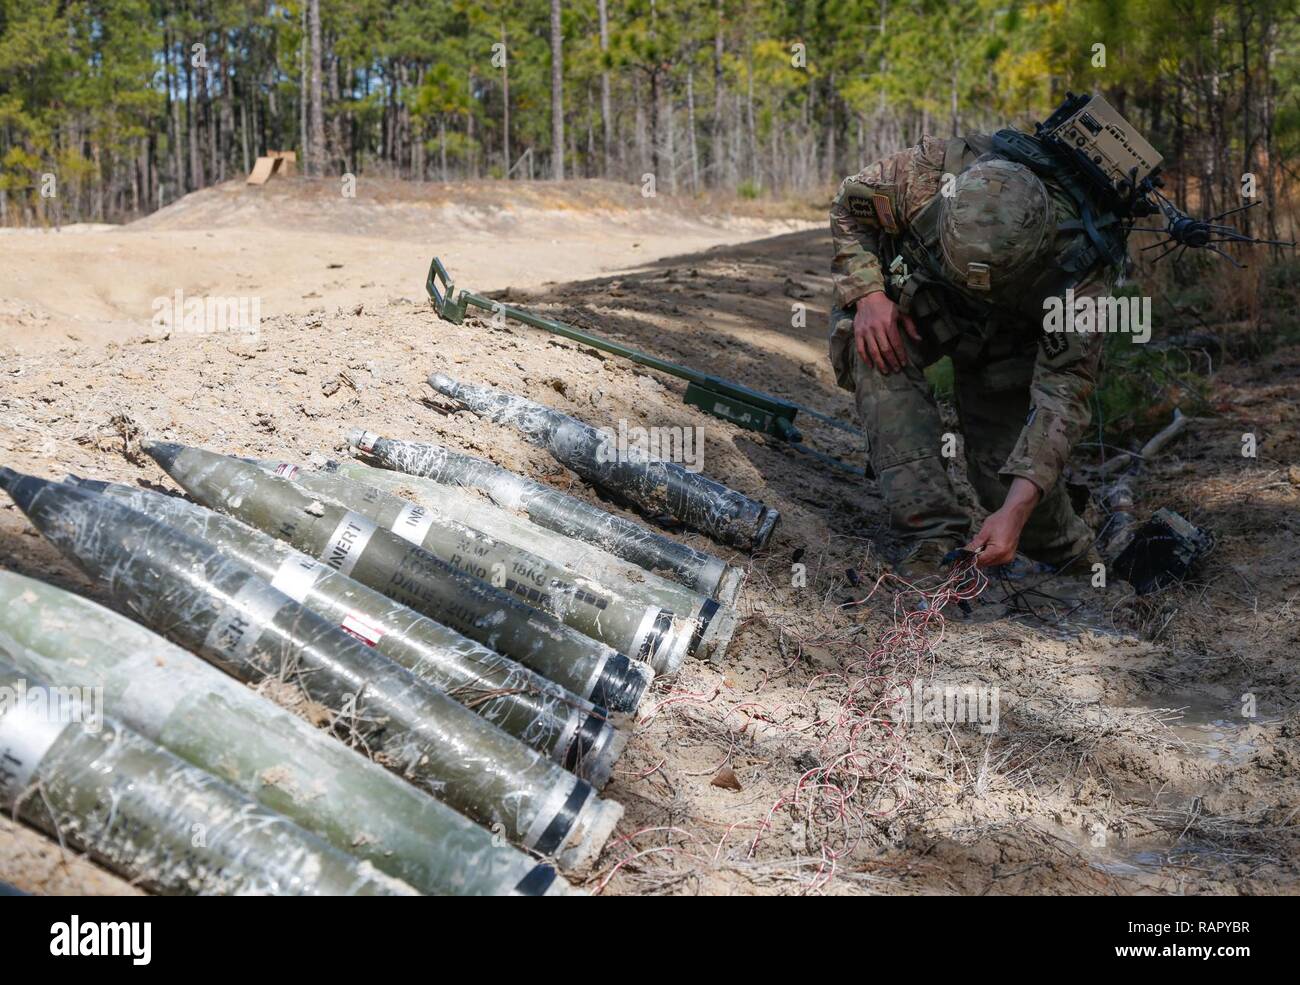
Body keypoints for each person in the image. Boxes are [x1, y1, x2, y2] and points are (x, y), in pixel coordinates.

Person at [827, 103, 1138, 576]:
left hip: (1006, 343)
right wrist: (869, 295)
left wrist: (1014, 511)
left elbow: (1061, 396)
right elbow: (850, 205)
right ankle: (929, 536)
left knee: (1011, 500)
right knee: (873, 350)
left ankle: (1079, 557)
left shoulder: (1081, 275)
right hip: (916, 307)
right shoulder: (926, 175)